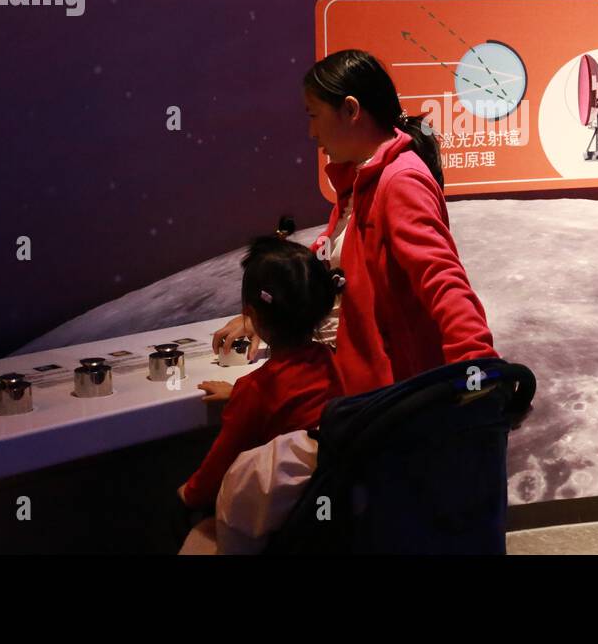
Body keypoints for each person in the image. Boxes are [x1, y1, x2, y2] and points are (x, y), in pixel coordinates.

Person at [213, 49, 498, 395]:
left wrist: (477, 369)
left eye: (314, 115)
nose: (311, 131)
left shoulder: (400, 182)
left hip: (391, 401)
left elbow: (442, 280)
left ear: (350, 109)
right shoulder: (358, 184)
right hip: (356, 390)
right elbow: (321, 273)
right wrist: (264, 317)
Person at [177, 235, 344, 512]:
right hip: (324, 509)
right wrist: (239, 393)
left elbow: (212, 476)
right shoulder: (331, 361)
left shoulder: (257, 390)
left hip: (279, 517)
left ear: (252, 315)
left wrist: (187, 495)